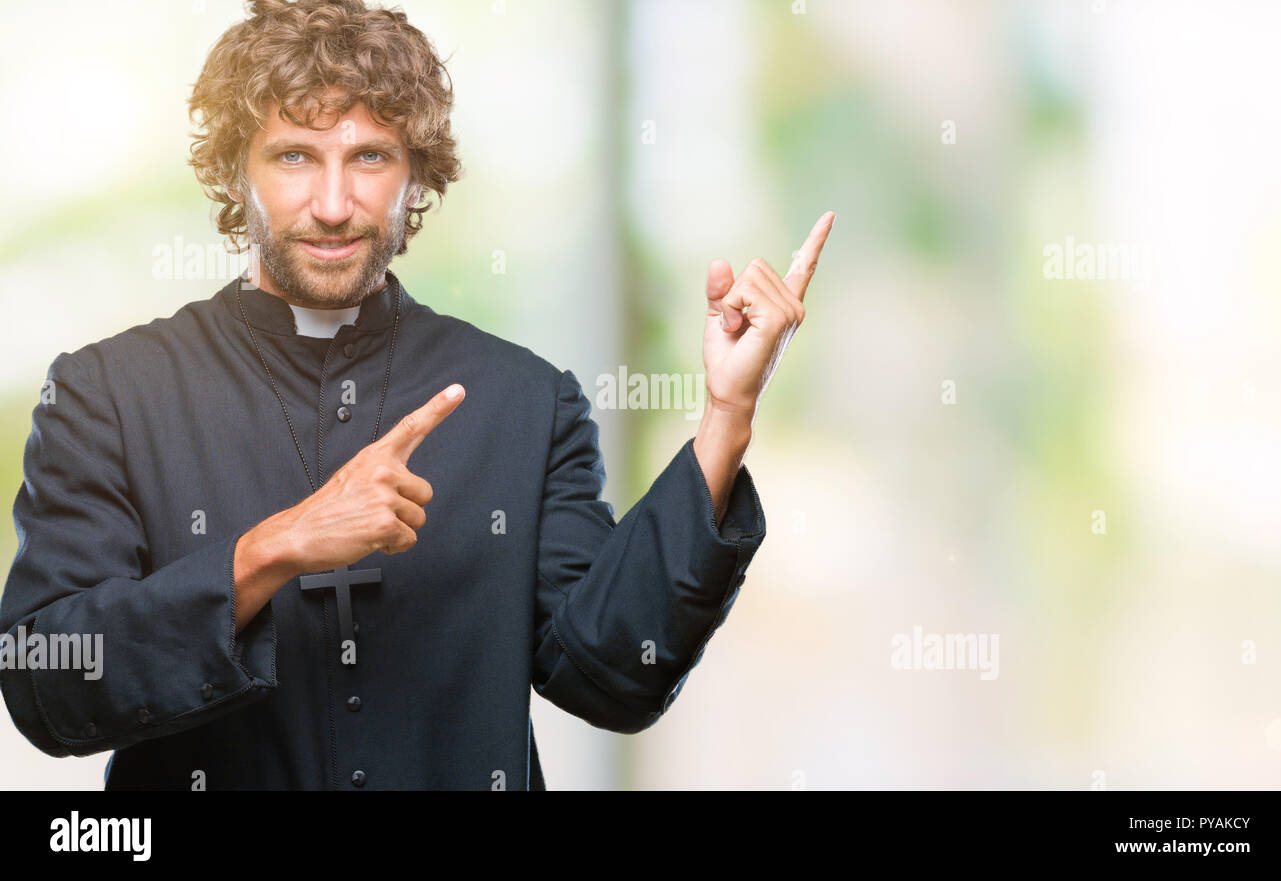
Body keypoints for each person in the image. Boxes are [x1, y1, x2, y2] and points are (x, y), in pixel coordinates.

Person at [0, 0, 833, 790]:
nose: (333, 205)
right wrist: (272, 548)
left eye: (370, 156)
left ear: (416, 176)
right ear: (234, 171)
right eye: (294, 155)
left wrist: (726, 416)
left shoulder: (526, 402)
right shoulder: (107, 392)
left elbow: (612, 676)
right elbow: (48, 685)